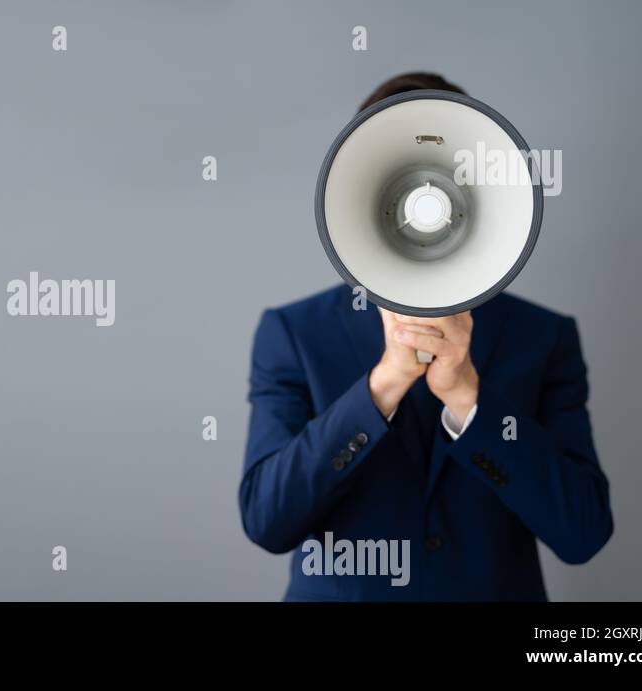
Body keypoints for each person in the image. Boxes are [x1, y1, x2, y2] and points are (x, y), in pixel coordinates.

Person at [239, 73, 613, 601]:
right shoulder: (295, 333)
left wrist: (469, 400)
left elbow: (584, 532)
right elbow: (266, 519)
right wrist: (381, 388)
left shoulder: (544, 338)